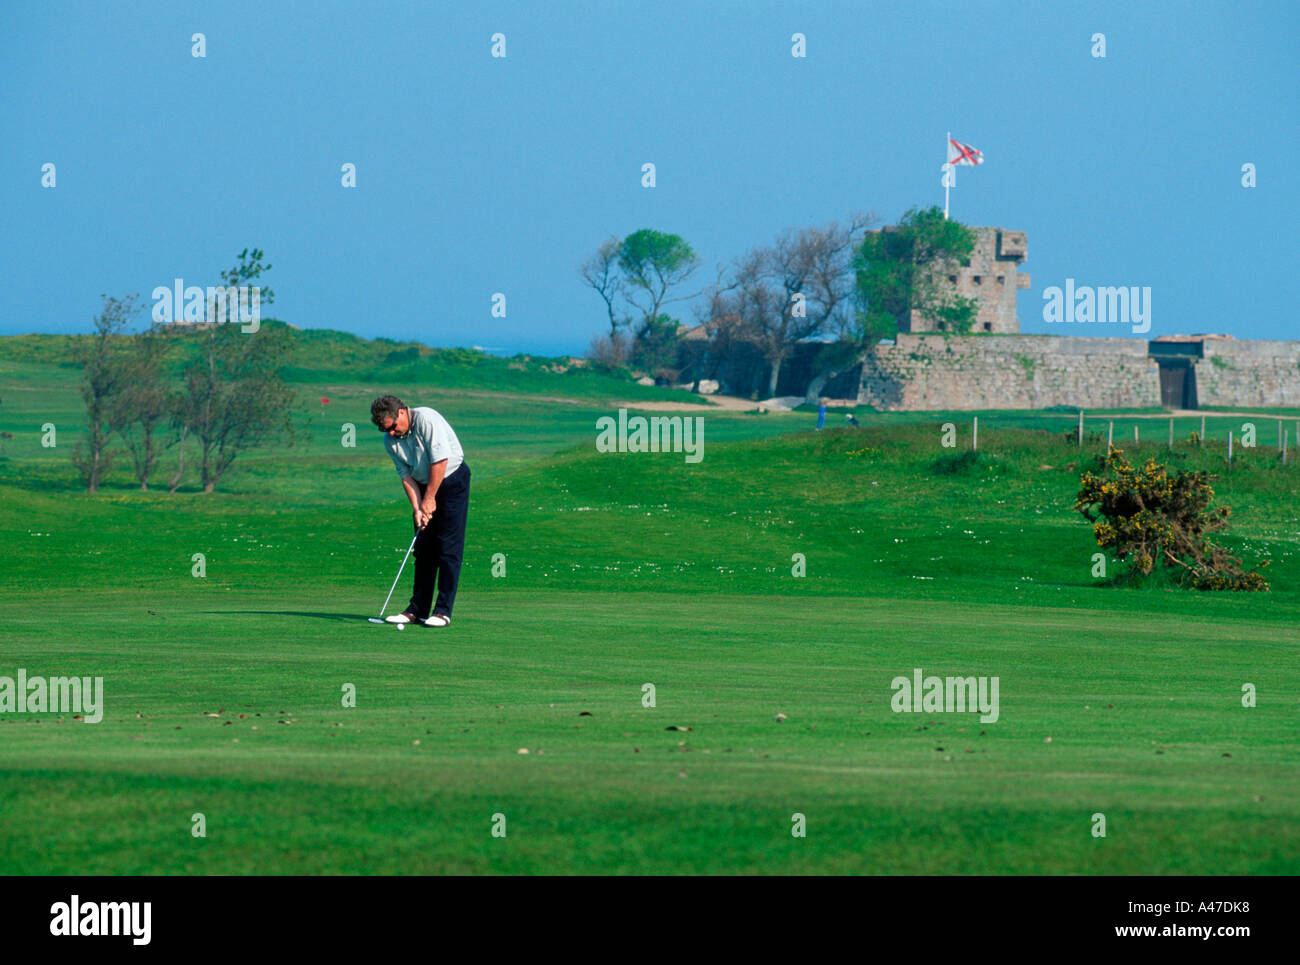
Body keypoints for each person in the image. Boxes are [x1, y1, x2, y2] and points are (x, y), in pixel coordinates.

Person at [371, 395, 471, 628]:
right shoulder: (390, 440)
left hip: (451, 479)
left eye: (393, 427)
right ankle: (417, 609)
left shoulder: (427, 419)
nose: (392, 434)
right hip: (424, 485)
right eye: (386, 431)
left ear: (402, 413)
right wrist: (418, 508)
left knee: (448, 547)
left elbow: (440, 462)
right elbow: (406, 476)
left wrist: (430, 499)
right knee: (424, 549)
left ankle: (443, 612)